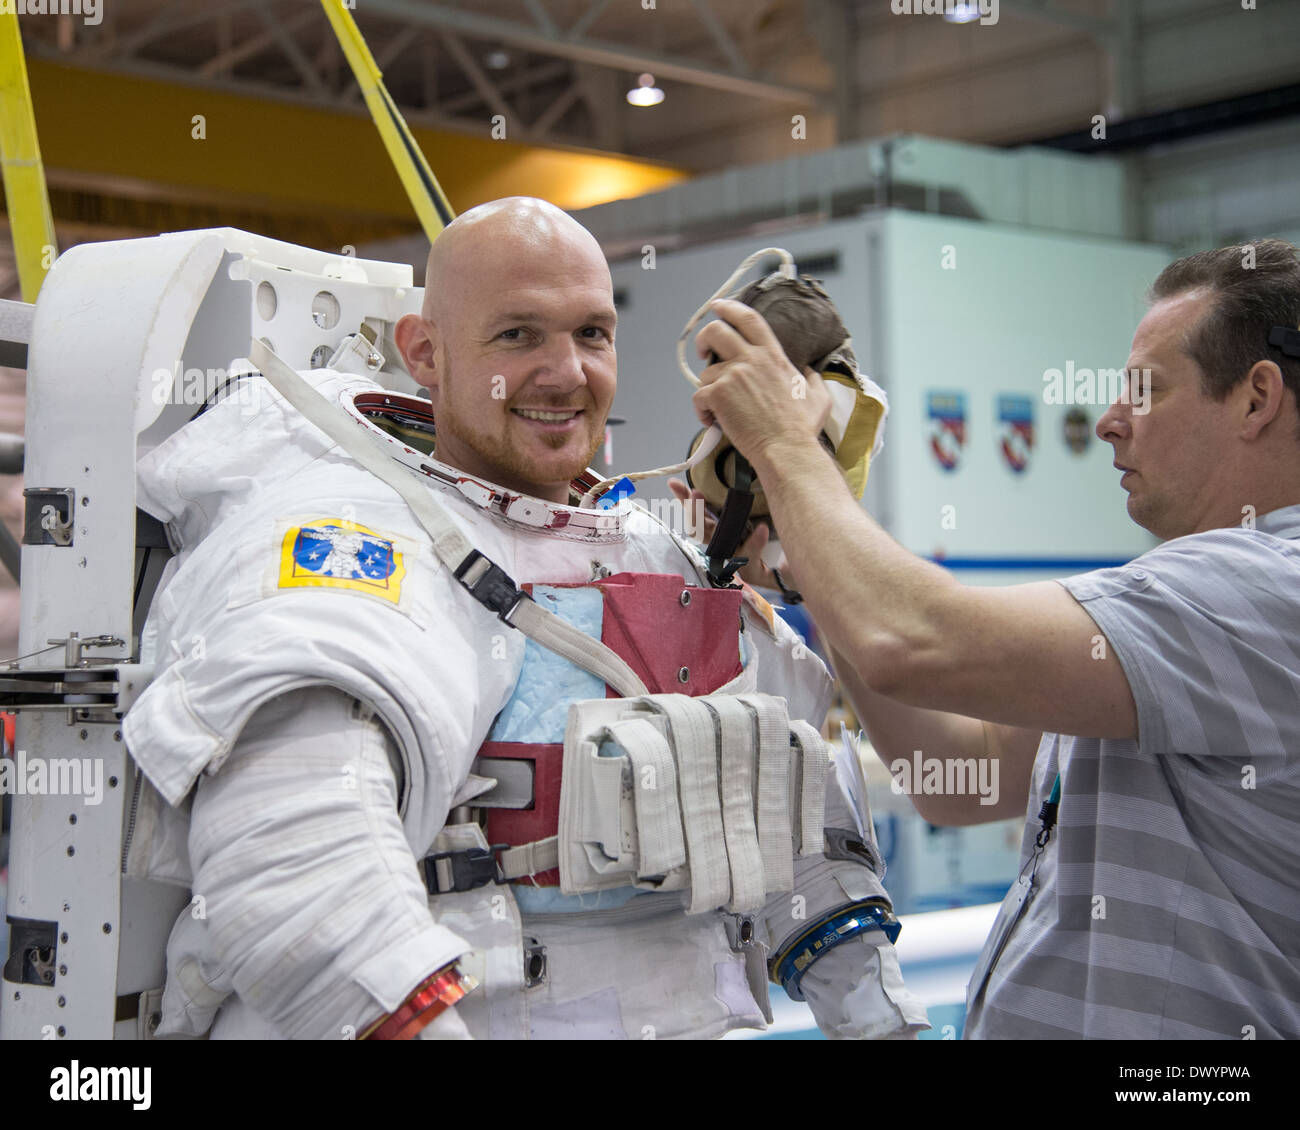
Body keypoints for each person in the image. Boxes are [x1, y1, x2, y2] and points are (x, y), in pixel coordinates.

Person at [121, 197, 929, 1040]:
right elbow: (301, 865)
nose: (566, 372)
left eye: (591, 333)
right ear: (424, 352)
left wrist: (885, 1023)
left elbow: (796, 823)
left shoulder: (661, 553)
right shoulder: (351, 539)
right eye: (518, 335)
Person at [689, 238, 1300, 1039]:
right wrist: (808, 555)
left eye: (1145, 391)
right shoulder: (1196, 616)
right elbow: (961, 775)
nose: (1110, 422)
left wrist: (785, 442)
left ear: (1257, 399)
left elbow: (909, 639)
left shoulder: (1265, 591)